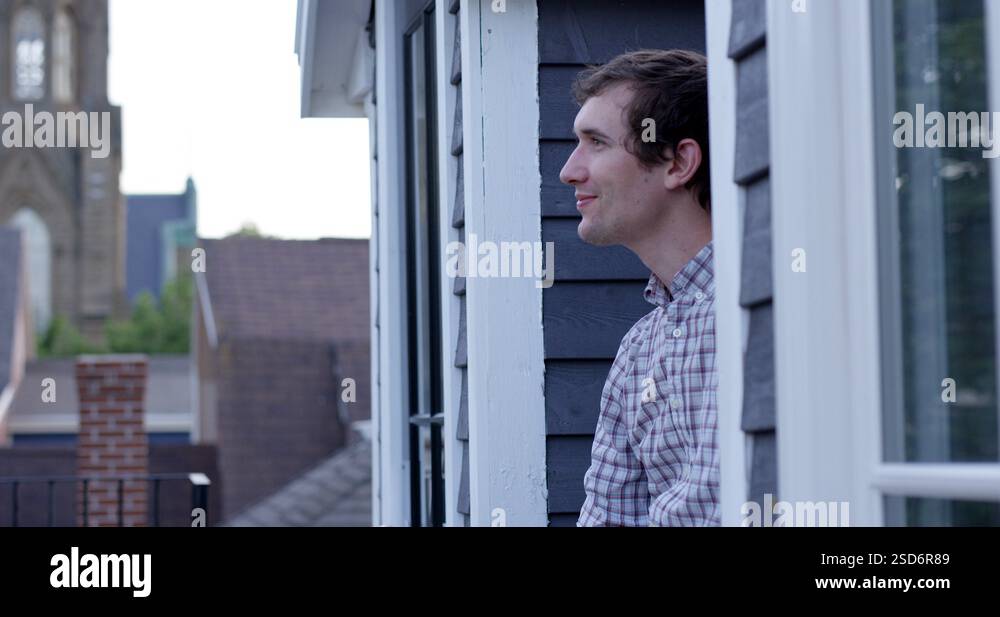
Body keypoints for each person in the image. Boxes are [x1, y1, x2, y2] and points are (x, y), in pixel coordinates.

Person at [559, 49, 718, 526]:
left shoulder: (779, 313)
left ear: (678, 162)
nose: (569, 170)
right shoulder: (638, 350)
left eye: (597, 143)